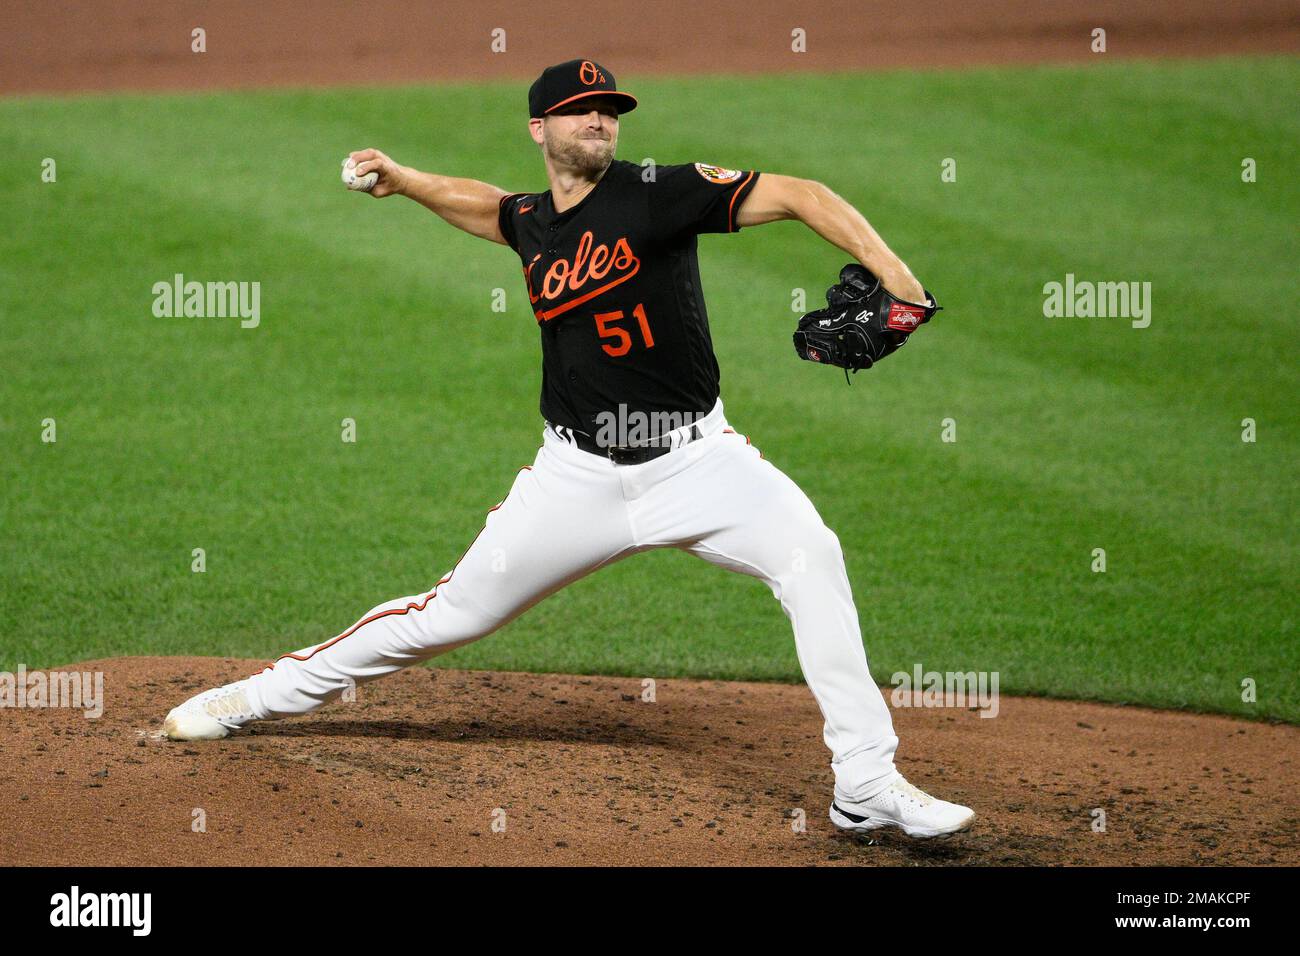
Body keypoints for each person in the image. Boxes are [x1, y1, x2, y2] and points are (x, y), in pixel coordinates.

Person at [163, 59, 975, 839]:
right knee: (448, 615)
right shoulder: (534, 223)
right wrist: (407, 181)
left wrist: (898, 278)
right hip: (576, 479)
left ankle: (865, 784)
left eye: (610, 110)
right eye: (581, 110)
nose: (599, 120)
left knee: (814, 558)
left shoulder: (660, 194)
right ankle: (258, 696)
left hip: (699, 465)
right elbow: (489, 208)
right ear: (538, 128)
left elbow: (802, 194)